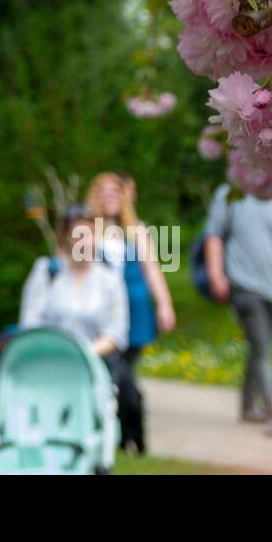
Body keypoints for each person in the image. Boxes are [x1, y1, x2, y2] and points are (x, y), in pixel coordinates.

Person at [204, 182, 272, 440]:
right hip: (242, 284)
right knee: (262, 347)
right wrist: (215, 274)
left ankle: (247, 406)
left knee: (260, 348)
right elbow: (214, 236)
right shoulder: (230, 193)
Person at [88, 172, 176, 455]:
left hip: (134, 310)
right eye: (103, 191)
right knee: (116, 373)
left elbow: (152, 269)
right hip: (103, 313)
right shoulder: (88, 231)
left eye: (114, 191)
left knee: (123, 372)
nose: (109, 196)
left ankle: (132, 432)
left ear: (123, 196)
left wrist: (164, 303)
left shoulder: (136, 230)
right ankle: (128, 431)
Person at [19, 206, 136, 409]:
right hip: (49, 367)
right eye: (77, 234)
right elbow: (30, 323)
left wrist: (83, 354)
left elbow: (117, 332)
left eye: (89, 233)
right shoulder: (47, 272)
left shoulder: (110, 280)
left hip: (94, 370)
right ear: (65, 237)